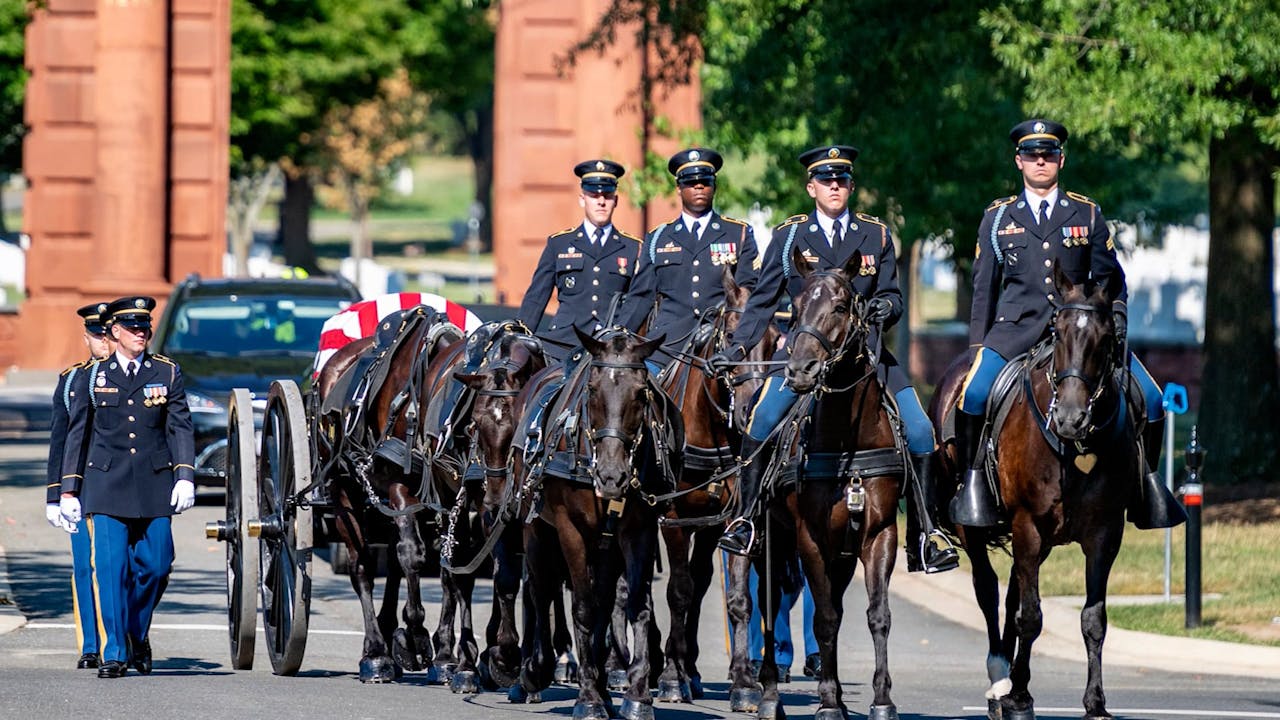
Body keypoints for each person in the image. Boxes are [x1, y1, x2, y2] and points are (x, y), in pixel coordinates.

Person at [709, 145, 959, 574]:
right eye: (826, 180)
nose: (835, 187)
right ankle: (747, 520)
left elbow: (892, 297)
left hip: (867, 359)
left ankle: (926, 535)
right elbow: (763, 300)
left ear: (851, 186)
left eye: (841, 180)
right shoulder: (789, 237)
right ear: (812, 188)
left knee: (920, 431)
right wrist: (735, 349)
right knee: (761, 421)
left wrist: (885, 308)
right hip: (801, 358)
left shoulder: (875, 235)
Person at [951, 119, 1185, 530]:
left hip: (1083, 337)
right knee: (974, 396)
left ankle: (1146, 489)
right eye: (1031, 155)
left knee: (1149, 398)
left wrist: (1116, 322)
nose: (1040, 161)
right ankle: (974, 488)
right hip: (1015, 331)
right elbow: (984, 291)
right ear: (1018, 161)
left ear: (1061, 158)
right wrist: (977, 351)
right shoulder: (998, 218)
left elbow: (1113, 280)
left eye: (1048, 154)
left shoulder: (1086, 212)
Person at [57, 296, 196, 679]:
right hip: (105, 484)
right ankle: (115, 652)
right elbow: (77, 435)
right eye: (133, 329)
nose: (141, 333)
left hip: (154, 484)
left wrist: (185, 474)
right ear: (114, 333)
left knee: (157, 564)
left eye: (145, 328)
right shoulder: (92, 377)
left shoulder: (166, 373)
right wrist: (68, 490)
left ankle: (136, 629)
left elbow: (179, 426)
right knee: (111, 568)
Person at [620, 148, 760, 372]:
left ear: (714, 186)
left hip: (720, 343)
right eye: (691, 182)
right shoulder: (658, 238)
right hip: (666, 346)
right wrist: (618, 332)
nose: (699, 187)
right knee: (639, 395)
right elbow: (641, 296)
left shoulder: (738, 233)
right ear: (678, 188)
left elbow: (748, 291)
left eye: (705, 181)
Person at [44, 302, 114, 669]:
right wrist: (54, 495)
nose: (103, 341)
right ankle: (91, 643)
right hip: (81, 485)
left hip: (119, 483)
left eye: (108, 333)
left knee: (122, 565)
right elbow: (60, 440)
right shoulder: (72, 380)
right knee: (85, 565)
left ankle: (125, 636)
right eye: (96, 335)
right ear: (86, 337)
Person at [517, 159, 643, 358]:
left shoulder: (632, 247)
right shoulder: (559, 244)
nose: (601, 201)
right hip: (563, 343)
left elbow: (639, 299)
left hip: (612, 348)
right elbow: (536, 296)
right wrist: (520, 337)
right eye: (594, 195)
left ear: (615, 201)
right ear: (582, 199)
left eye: (607, 196)